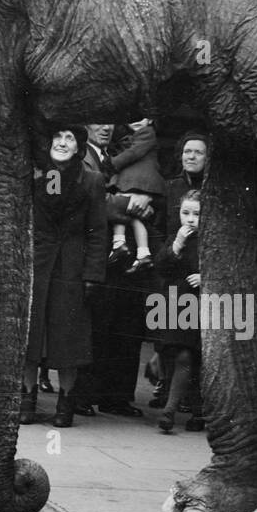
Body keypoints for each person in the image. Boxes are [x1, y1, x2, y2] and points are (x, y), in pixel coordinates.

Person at [21, 128, 108, 427]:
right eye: (57, 136)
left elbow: (98, 231)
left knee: (67, 339)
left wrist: (93, 274)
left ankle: (64, 403)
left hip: (72, 267)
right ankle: (27, 400)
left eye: (69, 138)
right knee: (31, 336)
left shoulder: (92, 180)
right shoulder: (33, 177)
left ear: (79, 147)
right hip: (37, 263)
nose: (61, 142)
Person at [81, 122, 152, 417]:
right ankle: (84, 395)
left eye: (109, 122)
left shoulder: (121, 155)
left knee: (126, 326)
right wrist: (131, 203)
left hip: (126, 259)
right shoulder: (81, 157)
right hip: (96, 255)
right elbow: (91, 198)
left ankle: (117, 397)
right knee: (94, 327)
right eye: (98, 122)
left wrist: (148, 201)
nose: (105, 127)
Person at [154, 190, 205, 432]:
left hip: (201, 303)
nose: (190, 219)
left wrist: (206, 277)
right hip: (177, 303)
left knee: (194, 358)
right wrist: (176, 244)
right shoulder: (177, 237)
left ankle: (182, 411)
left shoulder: (208, 239)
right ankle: (175, 410)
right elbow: (162, 266)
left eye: (196, 214)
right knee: (182, 356)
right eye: (186, 213)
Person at [109, 118, 166, 271]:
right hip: (134, 179)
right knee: (133, 216)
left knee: (121, 206)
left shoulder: (147, 133)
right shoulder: (128, 137)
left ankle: (119, 242)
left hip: (138, 179)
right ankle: (143, 253)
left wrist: (112, 163)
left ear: (151, 119)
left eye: (140, 117)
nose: (135, 120)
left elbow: (134, 152)